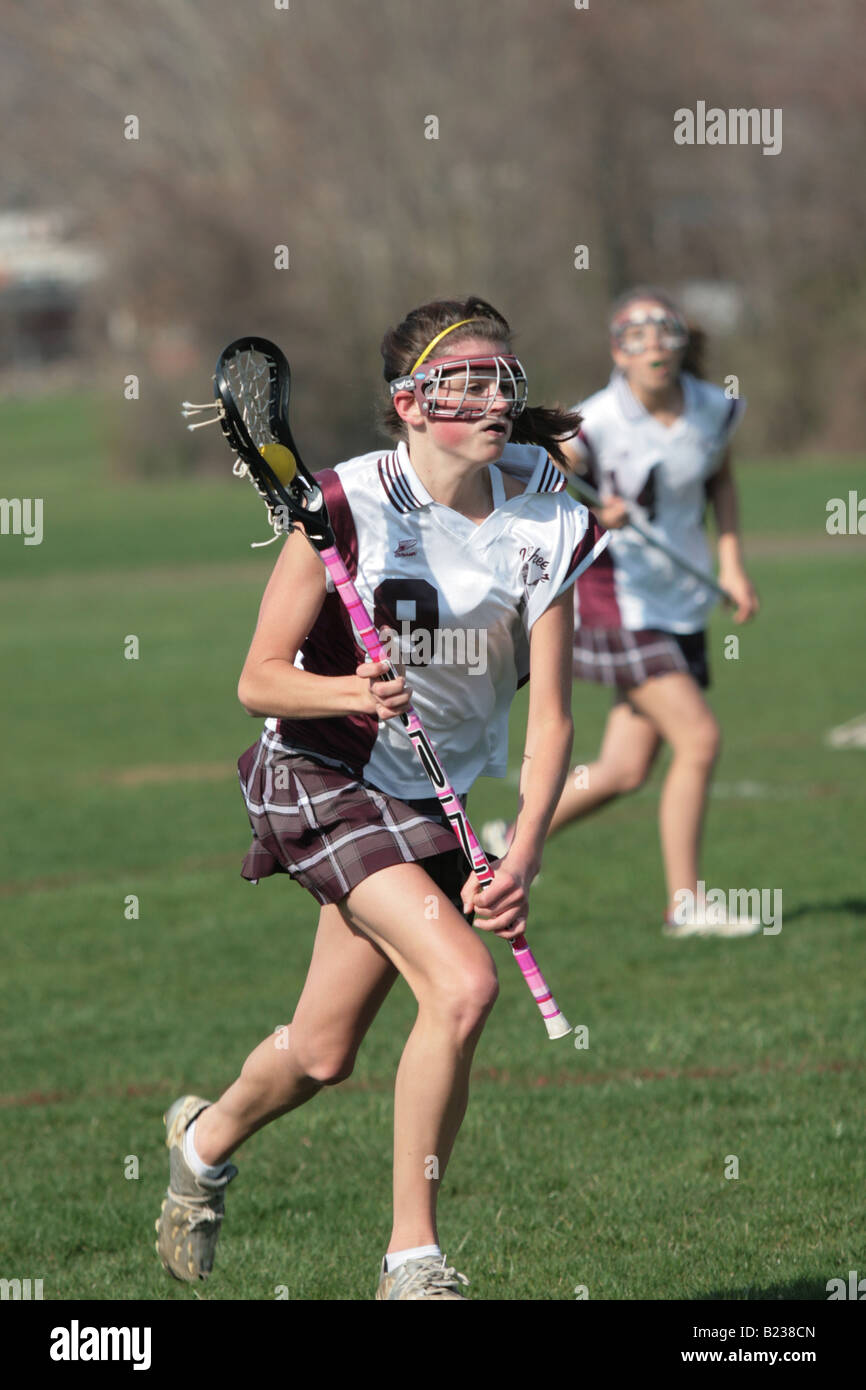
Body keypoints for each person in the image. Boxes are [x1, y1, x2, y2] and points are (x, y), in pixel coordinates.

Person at [155, 296, 608, 1299]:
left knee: (320, 1054)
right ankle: (413, 1259)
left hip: (430, 796)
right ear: (411, 403)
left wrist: (521, 851)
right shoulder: (345, 503)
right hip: (321, 770)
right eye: (469, 382)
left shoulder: (547, 509)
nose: (497, 396)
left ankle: (205, 1137)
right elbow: (259, 677)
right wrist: (351, 689)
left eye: (504, 378)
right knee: (463, 984)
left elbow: (553, 724)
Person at [483, 287, 760, 937]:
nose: (654, 348)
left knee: (625, 768)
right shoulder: (596, 421)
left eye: (665, 335)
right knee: (700, 738)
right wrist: (587, 505)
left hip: (681, 600)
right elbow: (545, 476)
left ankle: (512, 831)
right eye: (637, 338)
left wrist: (731, 564)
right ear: (618, 352)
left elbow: (720, 481)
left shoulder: (713, 411)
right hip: (620, 599)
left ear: (682, 344)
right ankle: (686, 905)